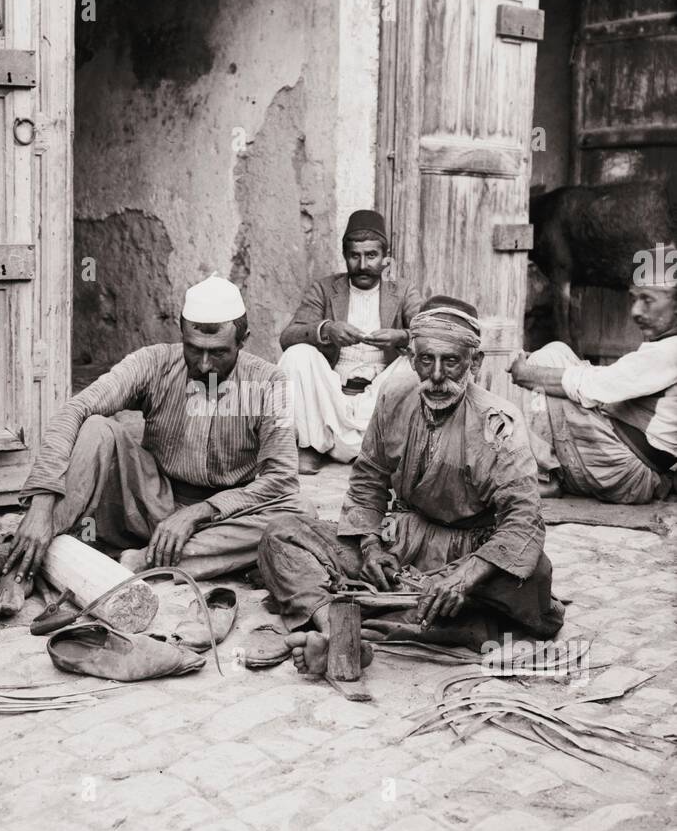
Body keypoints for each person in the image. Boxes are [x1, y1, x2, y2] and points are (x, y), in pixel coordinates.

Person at [259, 296, 564, 653]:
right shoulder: (393, 397)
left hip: (473, 551)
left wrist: (462, 579)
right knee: (282, 533)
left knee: (534, 576)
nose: (436, 376)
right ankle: (336, 624)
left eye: (451, 361)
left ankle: (369, 618)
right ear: (411, 359)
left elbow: (523, 522)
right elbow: (368, 481)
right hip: (402, 541)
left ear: (474, 362)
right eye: (426, 360)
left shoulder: (500, 423)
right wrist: (372, 548)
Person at [5, 275, 301, 583]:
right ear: (182, 332)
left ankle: (145, 559)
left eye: (218, 353)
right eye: (193, 349)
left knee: (294, 513)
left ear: (243, 340)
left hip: (224, 517)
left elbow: (281, 479)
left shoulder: (271, 383)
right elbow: (76, 408)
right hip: (150, 504)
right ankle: (33, 552)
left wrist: (199, 511)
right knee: (95, 427)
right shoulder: (154, 362)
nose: (203, 365)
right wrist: (40, 505)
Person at [510, 248, 677, 503]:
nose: (635, 311)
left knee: (544, 363)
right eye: (634, 298)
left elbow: (595, 387)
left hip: (623, 472)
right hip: (630, 468)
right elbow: (609, 380)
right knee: (558, 351)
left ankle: (543, 477)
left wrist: (527, 374)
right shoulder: (666, 348)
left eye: (648, 299)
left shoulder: (671, 351)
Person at [278, 209, 422, 473]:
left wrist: (401, 337)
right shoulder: (324, 289)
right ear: (345, 257)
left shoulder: (402, 293)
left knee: (415, 367)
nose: (363, 265)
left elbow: (429, 334)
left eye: (371, 256)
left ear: (385, 260)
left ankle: (372, 448)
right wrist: (326, 329)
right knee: (296, 355)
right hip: (333, 395)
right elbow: (288, 337)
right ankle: (312, 445)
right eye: (355, 256)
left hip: (379, 396)